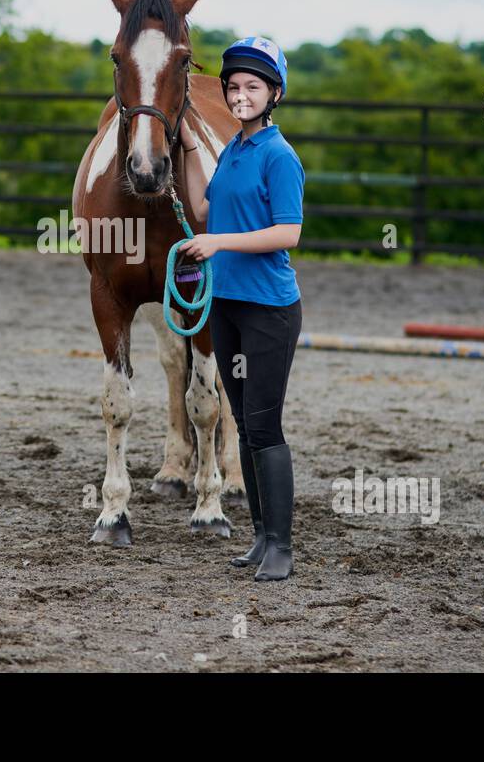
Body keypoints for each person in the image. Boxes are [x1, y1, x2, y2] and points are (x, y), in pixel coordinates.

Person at [175, 36, 305, 581]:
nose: (241, 95)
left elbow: (289, 233)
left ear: (274, 93)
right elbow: (205, 206)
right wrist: (184, 145)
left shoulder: (279, 155)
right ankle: (259, 538)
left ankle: (281, 547)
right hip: (226, 305)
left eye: (253, 87)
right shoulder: (232, 148)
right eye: (234, 87)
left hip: (268, 310)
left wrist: (220, 244)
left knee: (265, 426)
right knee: (245, 431)